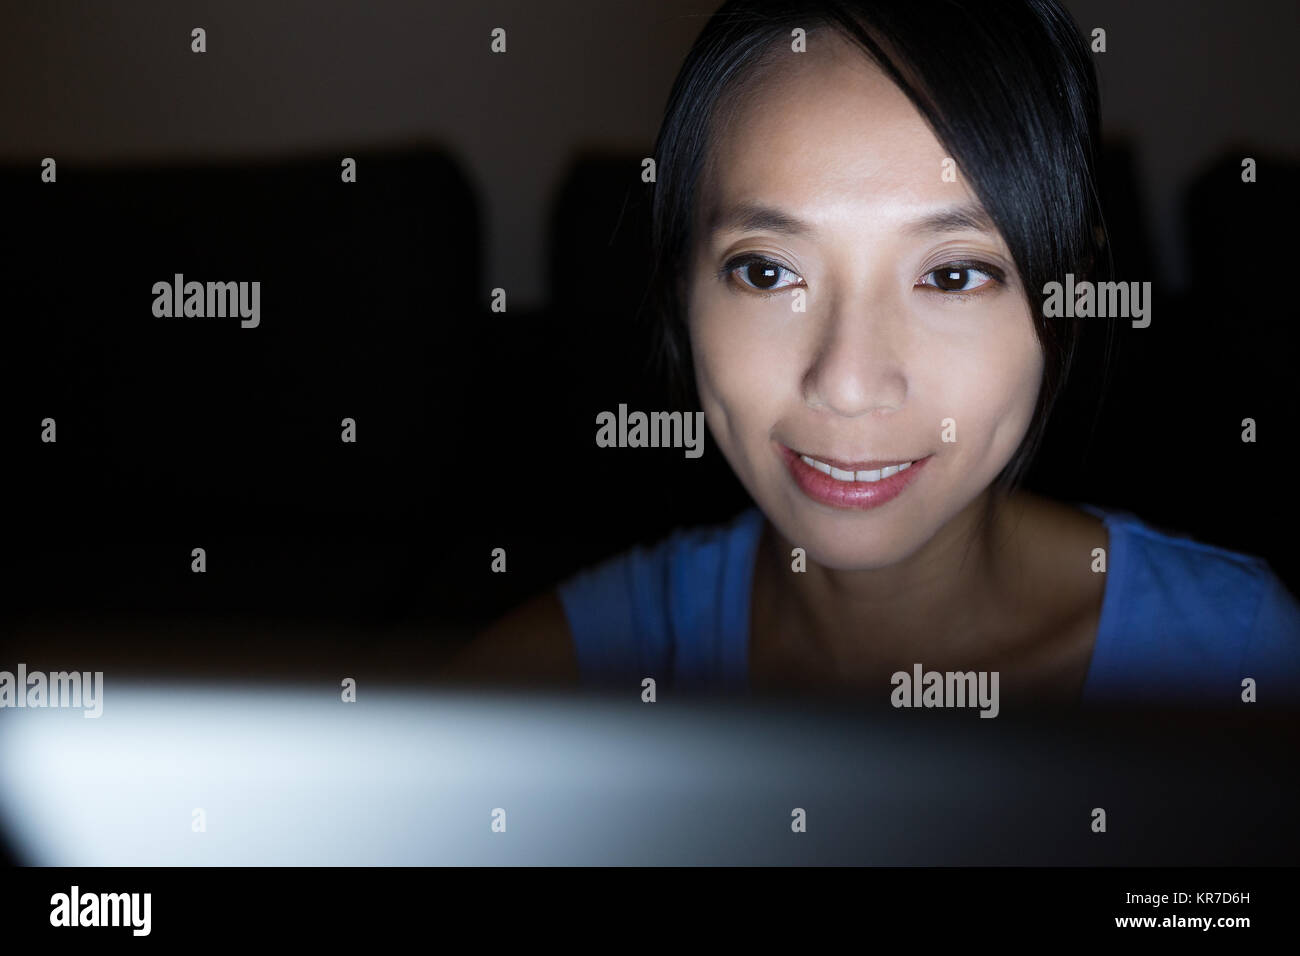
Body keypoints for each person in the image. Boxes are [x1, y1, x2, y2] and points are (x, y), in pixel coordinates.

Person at [446, 0, 1300, 707]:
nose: (849, 384)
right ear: (680, 290)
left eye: (955, 275)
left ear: (1063, 301)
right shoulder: (543, 695)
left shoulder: (1239, 658)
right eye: (767, 270)